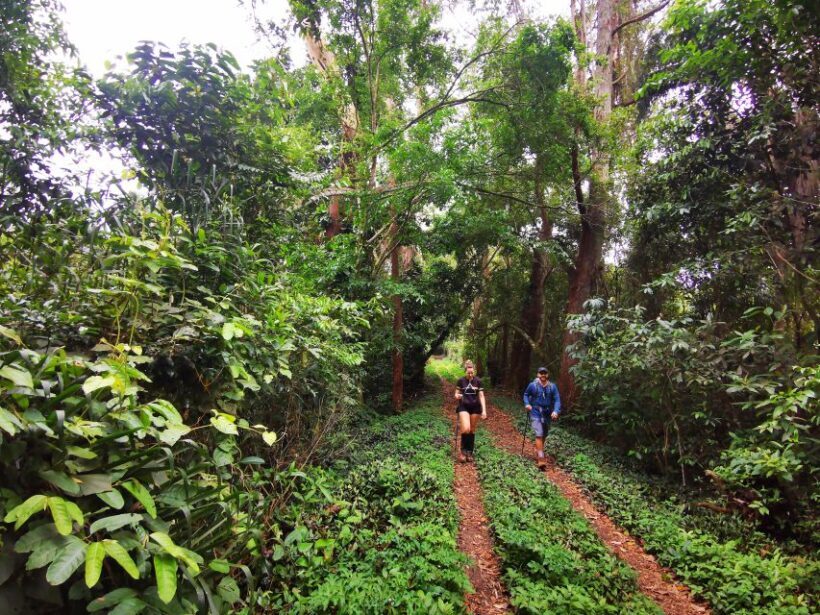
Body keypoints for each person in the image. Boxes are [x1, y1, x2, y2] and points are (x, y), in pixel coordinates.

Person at [523, 366, 561, 469]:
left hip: (547, 413)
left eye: (545, 373)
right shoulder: (533, 385)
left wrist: (556, 411)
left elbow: (557, 399)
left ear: (547, 375)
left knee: (544, 434)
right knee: (539, 434)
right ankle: (541, 459)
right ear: (538, 374)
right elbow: (526, 394)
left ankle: (539, 449)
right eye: (541, 373)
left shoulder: (552, 387)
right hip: (535, 412)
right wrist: (527, 404)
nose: (543, 375)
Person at [454, 360, 487, 462]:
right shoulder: (461, 381)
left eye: (472, 373)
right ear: (465, 371)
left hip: (475, 408)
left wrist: (484, 410)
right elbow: (456, 394)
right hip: (464, 406)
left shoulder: (478, 381)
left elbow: (481, 396)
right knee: (466, 429)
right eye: (468, 373)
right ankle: (463, 452)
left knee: (472, 430)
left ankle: (469, 452)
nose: (470, 375)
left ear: (474, 371)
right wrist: (458, 396)